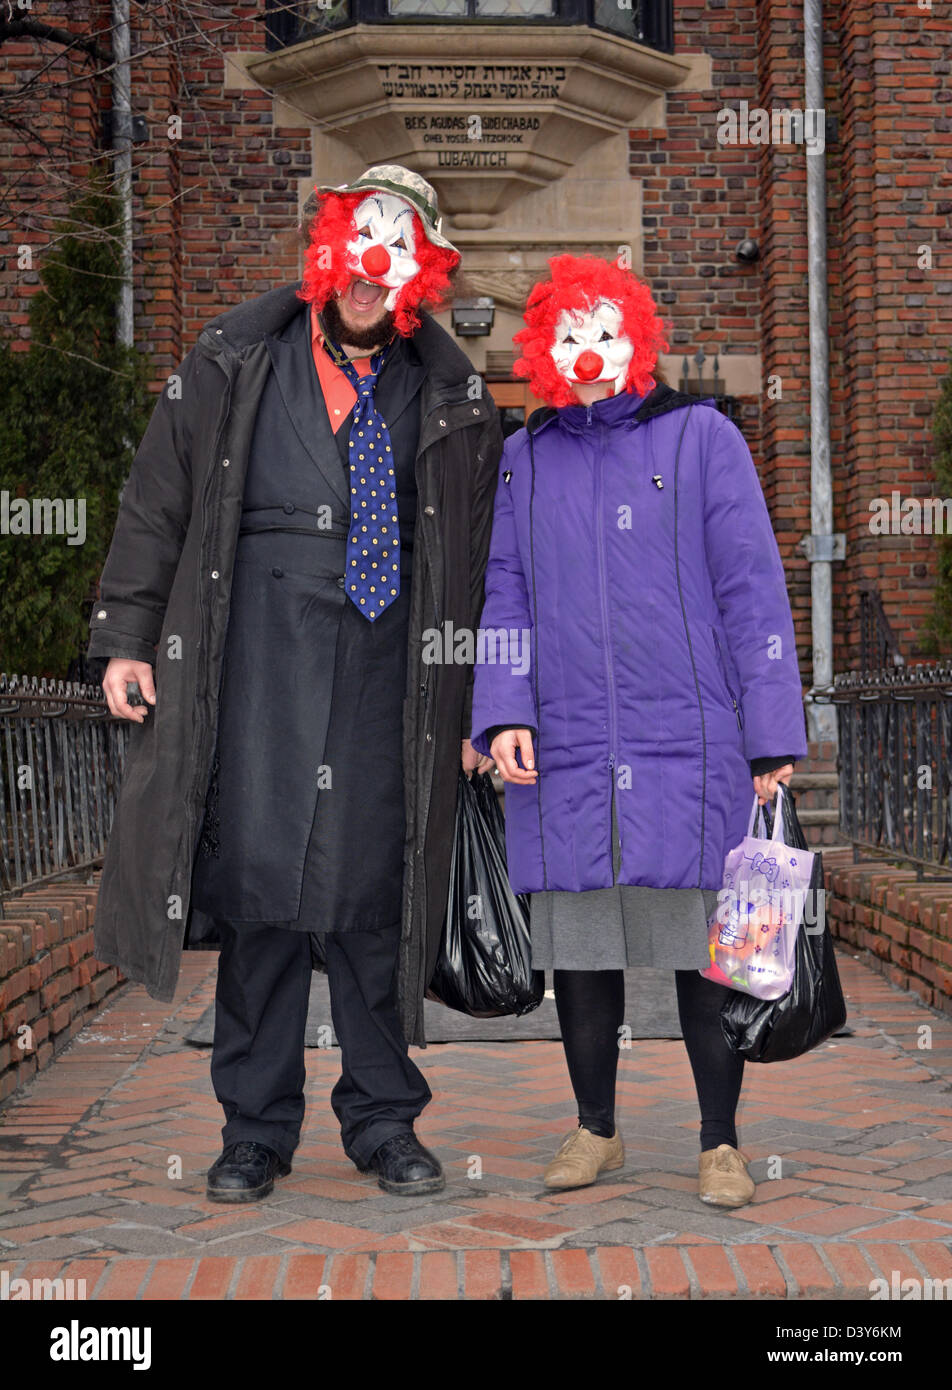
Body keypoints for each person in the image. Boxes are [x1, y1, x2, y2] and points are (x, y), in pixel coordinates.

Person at [88, 165, 500, 1204]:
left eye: (394, 255)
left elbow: (486, 561)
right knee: (264, 893)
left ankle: (383, 1119)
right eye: (357, 247)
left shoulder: (452, 393)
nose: (369, 273)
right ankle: (253, 1130)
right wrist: (127, 637)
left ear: (421, 276)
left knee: (371, 892)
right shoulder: (233, 360)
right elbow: (156, 504)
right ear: (325, 250)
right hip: (257, 648)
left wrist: (478, 699)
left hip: (386, 666)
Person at [469, 254, 807, 1207]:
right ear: (545, 352)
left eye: (605, 334)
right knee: (579, 943)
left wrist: (768, 735)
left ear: (638, 344)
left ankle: (719, 1142)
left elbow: (751, 587)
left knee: (706, 943)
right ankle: (597, 1131)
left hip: (687, 741)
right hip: (568, 742)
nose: (589, 353)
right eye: (569, 337)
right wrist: (502, 710)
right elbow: (506, 590)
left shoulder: (703, 438)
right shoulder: (525, 456)